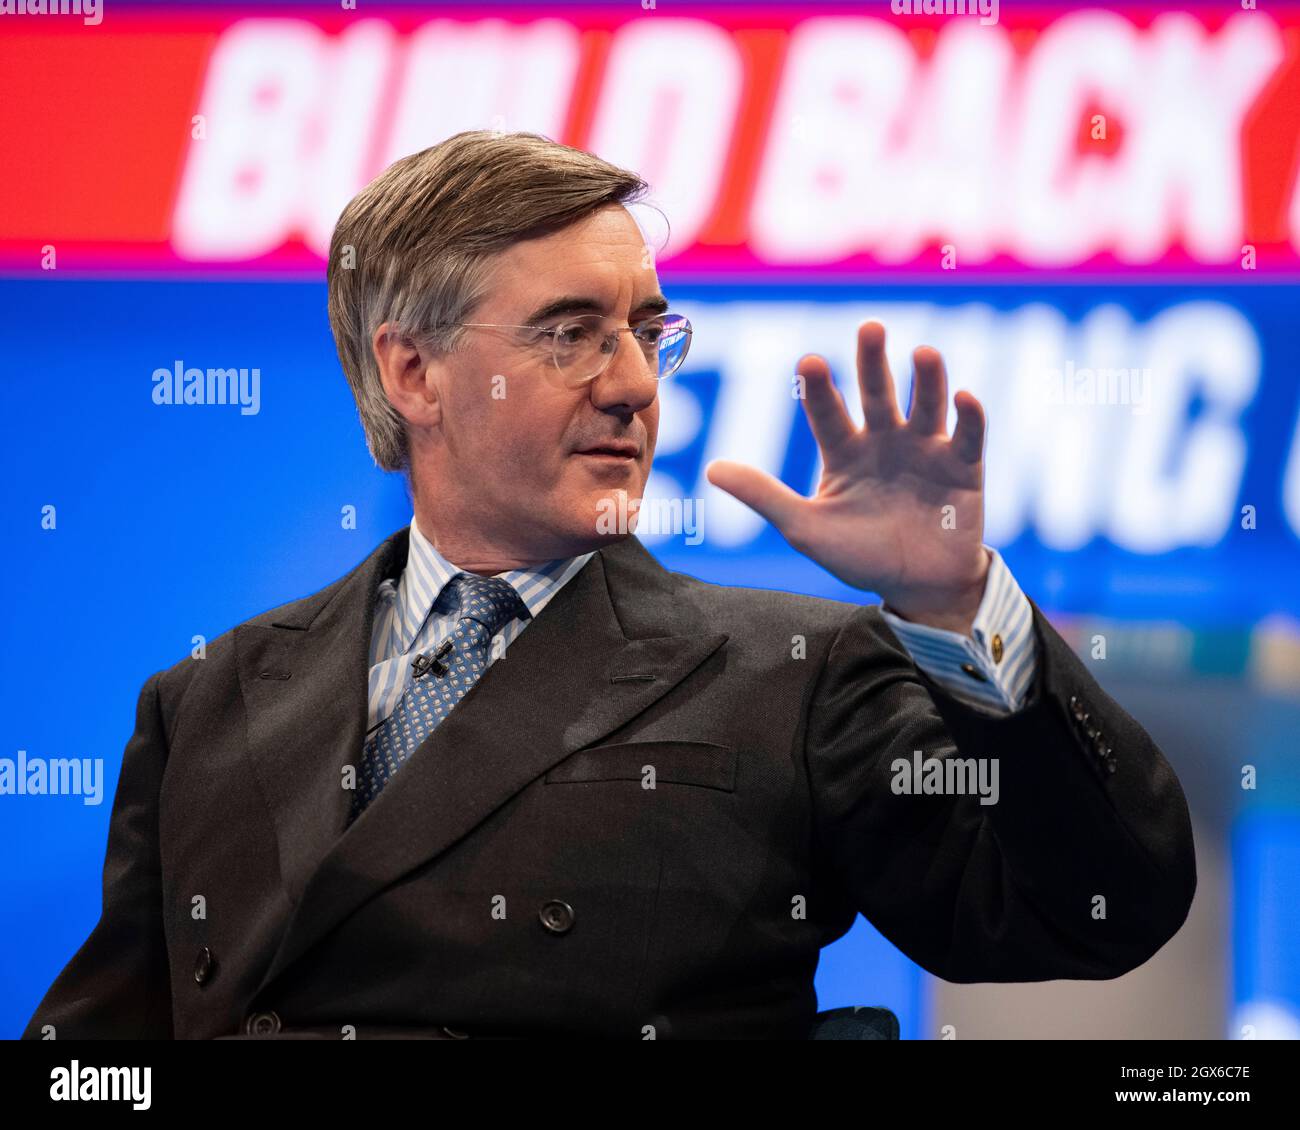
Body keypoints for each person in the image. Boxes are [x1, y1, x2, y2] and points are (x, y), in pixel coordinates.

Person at [23, 130, 1195, 1040]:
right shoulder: (209, 697)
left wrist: (958, 607)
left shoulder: (794, 674)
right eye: (570, 333)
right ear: (415, 369)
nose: (635, 384)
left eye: (647, 331)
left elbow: (1099, 907)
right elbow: (101, 1053)